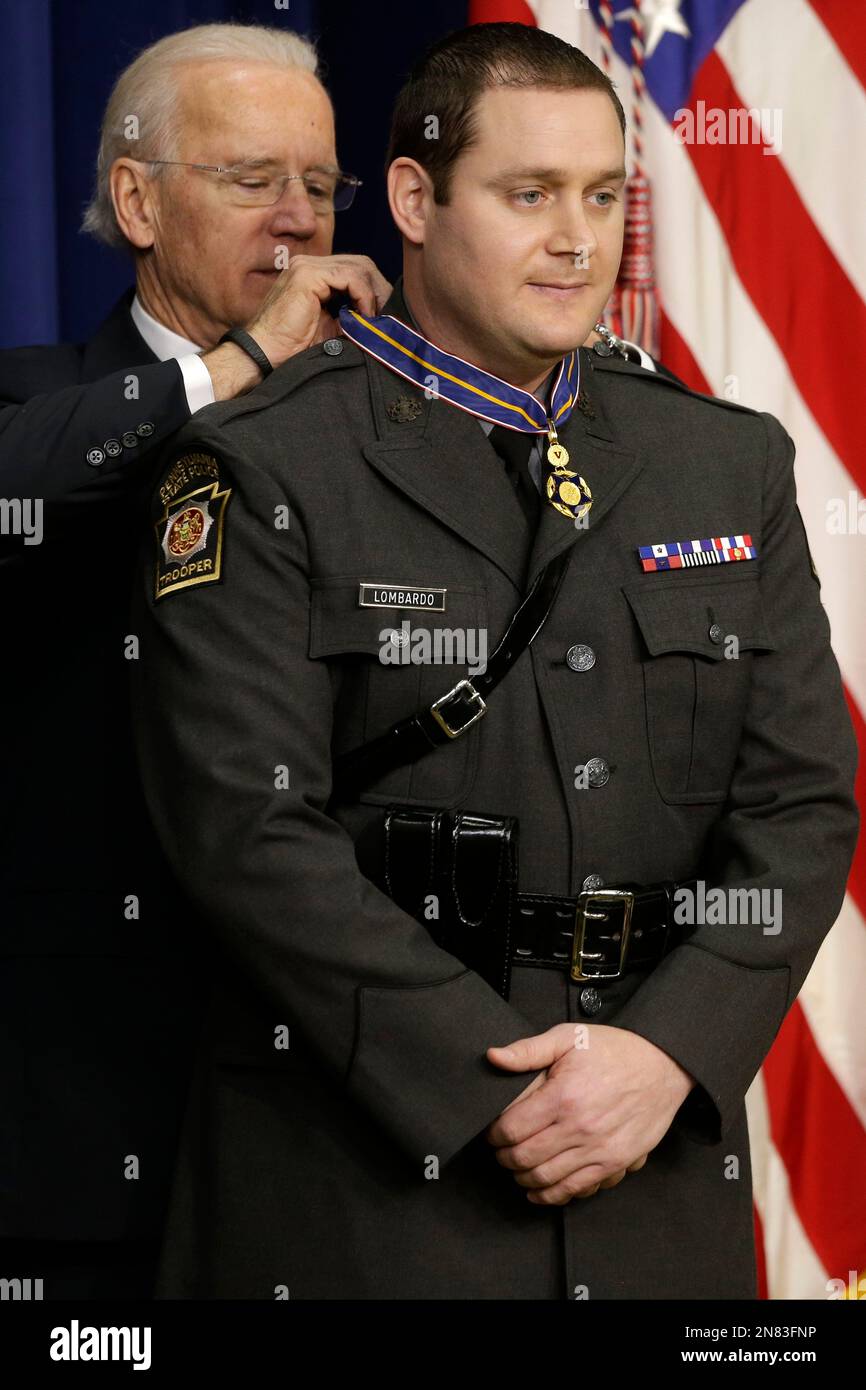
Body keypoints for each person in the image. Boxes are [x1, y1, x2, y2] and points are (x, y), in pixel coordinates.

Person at [132, 20, 859, 1300]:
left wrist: (665, 1058)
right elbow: (245, 833)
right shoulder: (262, 463)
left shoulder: (721, 462)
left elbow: (799, 803)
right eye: (527, 195)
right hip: (362, 1178)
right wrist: (500, 1091)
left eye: (599, 195)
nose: (576, 238)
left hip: (656, 1168)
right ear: (413, 200)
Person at [0, 22, 391, 1300]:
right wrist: (245, 363)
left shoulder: (391, 426)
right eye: (250, 179)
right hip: (90, 1130)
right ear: (137, 199)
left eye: (319, 188)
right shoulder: (36, 400)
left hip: (349, 1132)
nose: (296, 220)